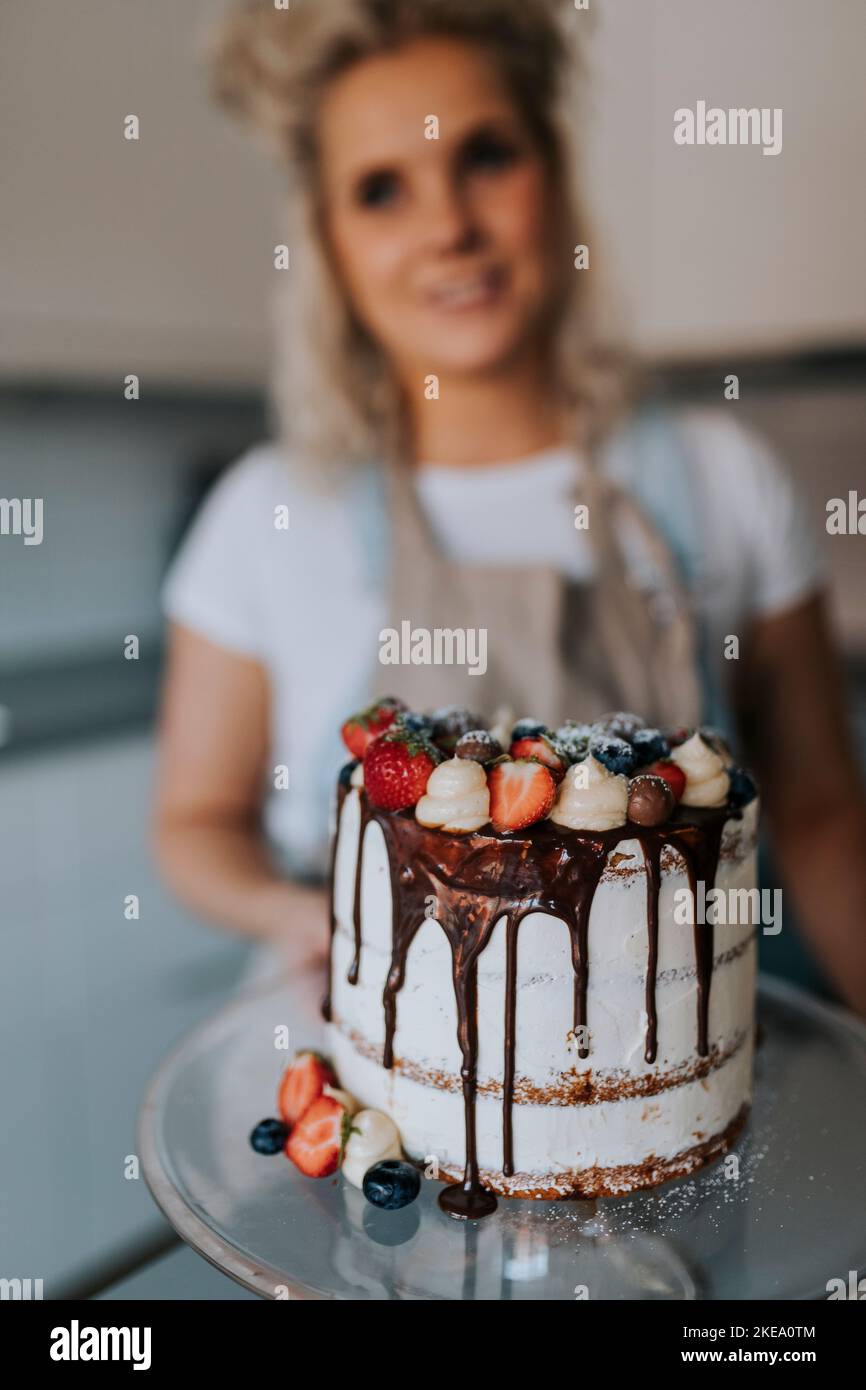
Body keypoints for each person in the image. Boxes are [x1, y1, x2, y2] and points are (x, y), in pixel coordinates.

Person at [153, 0, 866, 1015]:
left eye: (485, 156)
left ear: (556, 175)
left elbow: (821, 810)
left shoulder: (719, 479)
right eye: (380, 190)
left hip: (671, 1041)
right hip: (371, 1027)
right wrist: (302, 914)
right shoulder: (266, 513)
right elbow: (196, 818)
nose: (447, 226)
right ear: (327, 241)